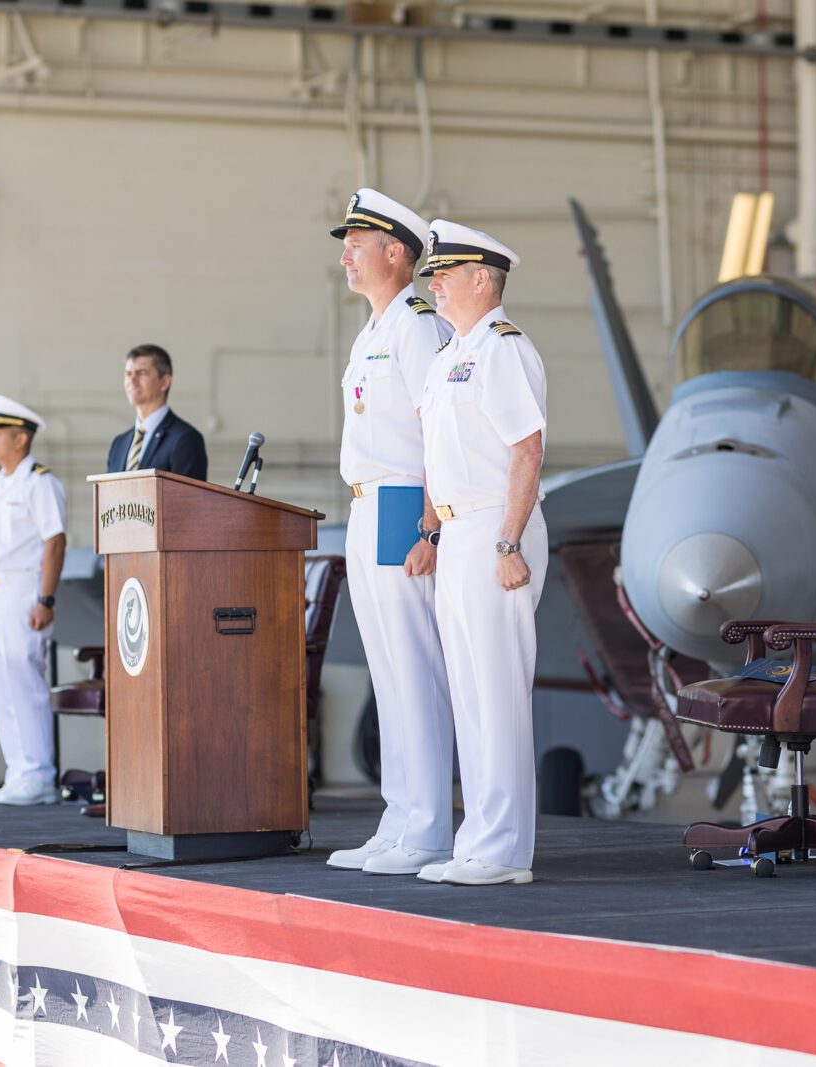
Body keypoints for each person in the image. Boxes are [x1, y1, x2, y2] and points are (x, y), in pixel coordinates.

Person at [324, 189, 457, 876]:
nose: (345, 253)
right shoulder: (372, 331)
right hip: (367, 502)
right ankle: (400, 816)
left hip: (405, 500)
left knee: (415, 669)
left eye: (357, 241)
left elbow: (440, 433)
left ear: (395, 252)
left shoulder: (415, 327)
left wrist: (430, 525)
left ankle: (429, 823)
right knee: (387, 671)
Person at [414, 221, 547, 887]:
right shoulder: (447, 357)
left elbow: (526, 448)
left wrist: (509, 541)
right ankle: (477, 841)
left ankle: (504, 849)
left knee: (496, 692)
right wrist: (435, 532)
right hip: (460, 533)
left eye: (445, 271)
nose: (433, 281)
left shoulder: (504, 349)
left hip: (498, 528)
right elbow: (438, 457)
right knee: (468, 690)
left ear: (482, 279)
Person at [0, 394, 68, 806]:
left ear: (21, 438)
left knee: (25, 682)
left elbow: (55, 542)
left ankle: (38, 774)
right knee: (1, 682)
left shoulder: (40, 482)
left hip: (24, 589)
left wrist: (45, 598)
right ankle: (19, 772)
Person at [107, 344, 209, 480]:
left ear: (165, 382)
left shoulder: (186, 439)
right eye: (128, 374)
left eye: (142, 373)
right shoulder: (119, 443)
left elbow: (187, 500)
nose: (132, 380)